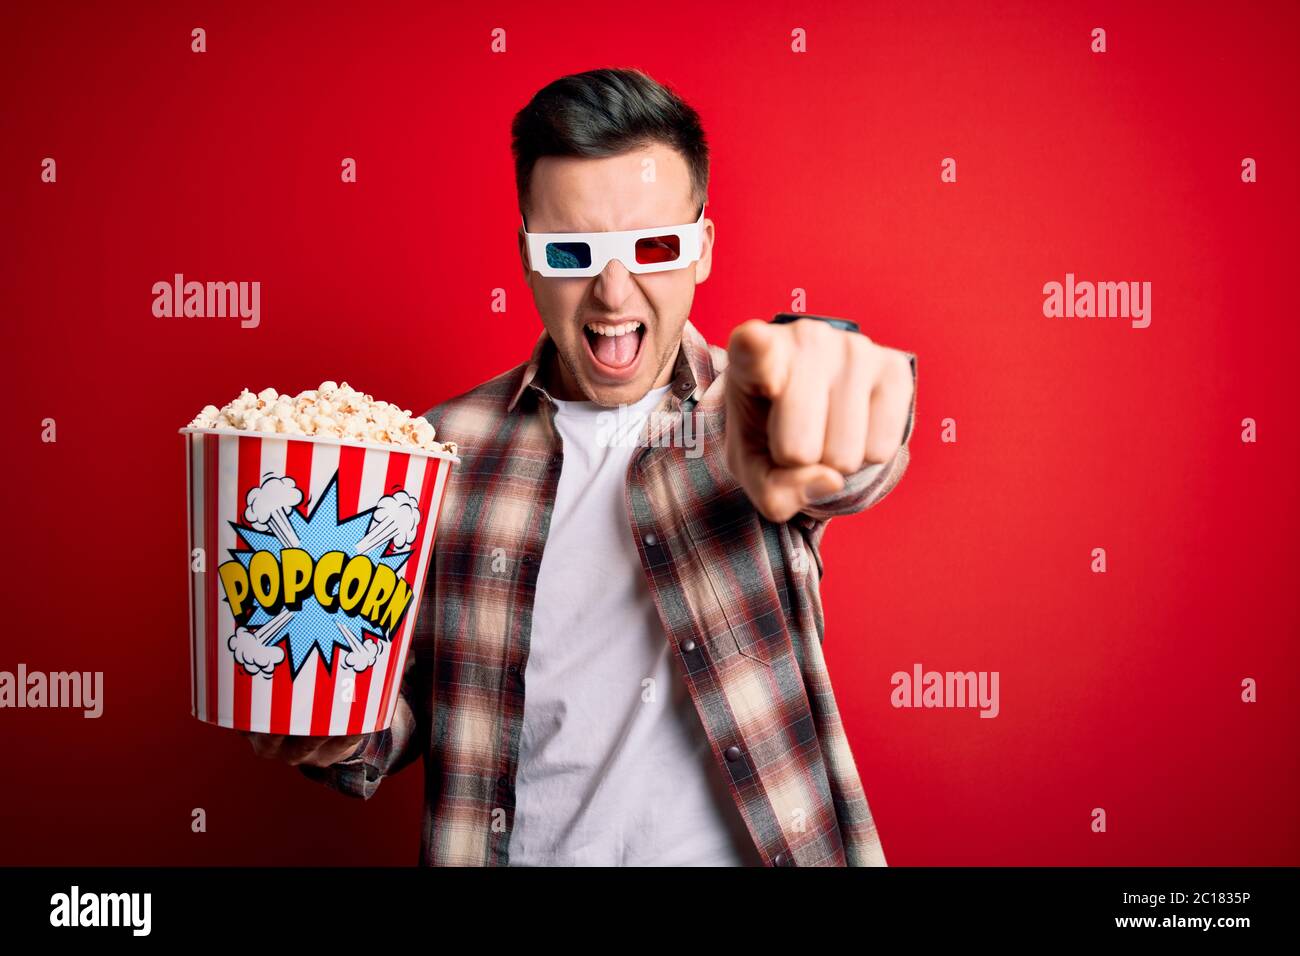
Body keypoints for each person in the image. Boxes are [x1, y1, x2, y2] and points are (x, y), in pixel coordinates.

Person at [246, 67, 916, 866]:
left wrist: (855, 397)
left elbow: (849, 457)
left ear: (702, 249)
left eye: (653, 247)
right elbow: (412, 706)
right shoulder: (435, 452)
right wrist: (331, 727)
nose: (612, 289)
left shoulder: (746, 413)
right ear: (527, 257)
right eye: (572, 251)